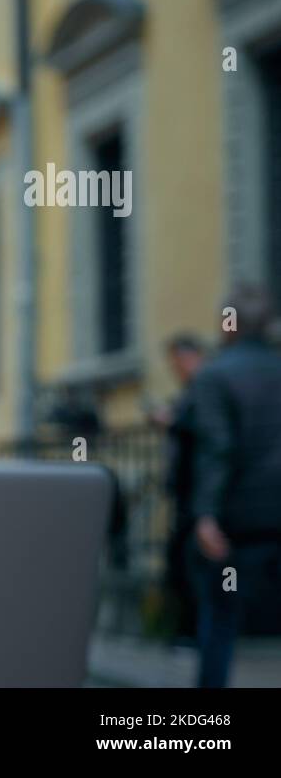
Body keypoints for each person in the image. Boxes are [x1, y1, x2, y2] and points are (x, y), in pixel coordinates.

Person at [186, 285, 281, 687]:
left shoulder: (215, 375)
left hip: (238, 524)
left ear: (229, 324)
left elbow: (216, 448)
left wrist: (205, 514)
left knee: (221, 621)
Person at [158, 333, 205, 641]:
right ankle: (186, 631)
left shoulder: (207, 390)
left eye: (178, 362)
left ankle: (192, 632)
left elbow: (203, 434)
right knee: (180, 562)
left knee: (190, 563)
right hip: (189, 491)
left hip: (198, 491)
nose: (176, 369)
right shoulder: (195, 391)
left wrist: (171, 422)